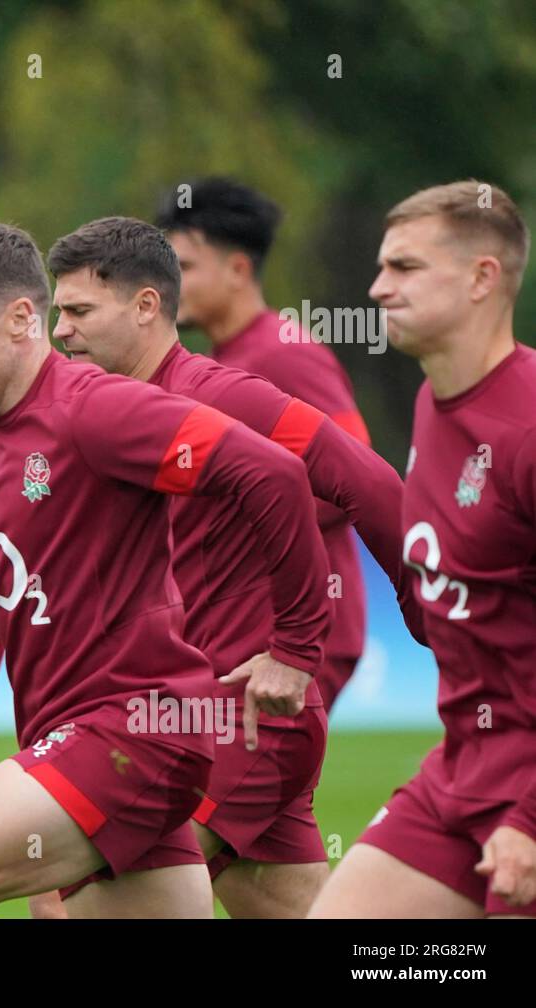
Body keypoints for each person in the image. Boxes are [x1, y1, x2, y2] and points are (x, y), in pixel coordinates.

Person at [0, 221, 332, 918]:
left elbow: (276, 474)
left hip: (135, 730)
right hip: (76, 732)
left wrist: (295, 648)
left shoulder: (98, 410)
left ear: (22, 319)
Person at [46, 215, 422, 917]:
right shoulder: (99, 415)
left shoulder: (223, 393)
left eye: (77, 311)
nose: (60, 331)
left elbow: (366, 481)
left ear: (146, 307)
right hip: (182, 713)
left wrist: (423, 616)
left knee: (72, 895)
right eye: (56, 311)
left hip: (244, 712)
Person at [311, 180, 536, 918]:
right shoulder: (431, 405)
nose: (378, 289)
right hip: (461, 774)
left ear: (482, 279)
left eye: (406, 268)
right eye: (380, 268)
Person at [156, 179, 372, 710]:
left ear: (238, 270)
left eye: (184, 267)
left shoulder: (285, 349)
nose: (167, 284)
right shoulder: (218, 362)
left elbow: (355, 476)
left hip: (293, 632)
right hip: (239, 626)